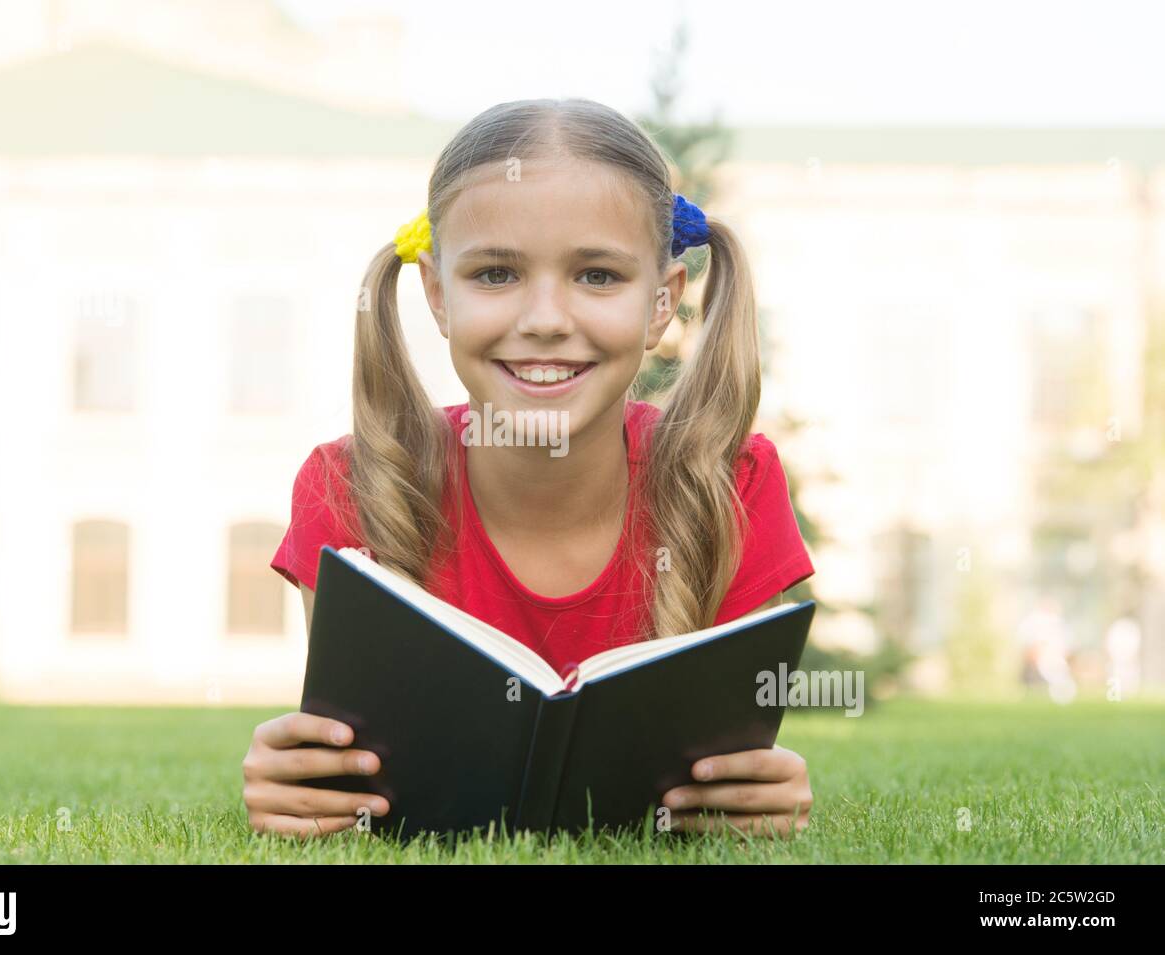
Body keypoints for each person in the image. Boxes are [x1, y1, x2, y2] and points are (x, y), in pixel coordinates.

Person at [242, 98, 816, 841]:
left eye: (599, 276)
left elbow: (733, 763)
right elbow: (340, 756)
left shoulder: (728, 479)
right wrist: (297, 780)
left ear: (662, 304)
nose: (545, 317)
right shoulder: (350, 485)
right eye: (497, 273)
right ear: (438, 294)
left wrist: (761, 790)